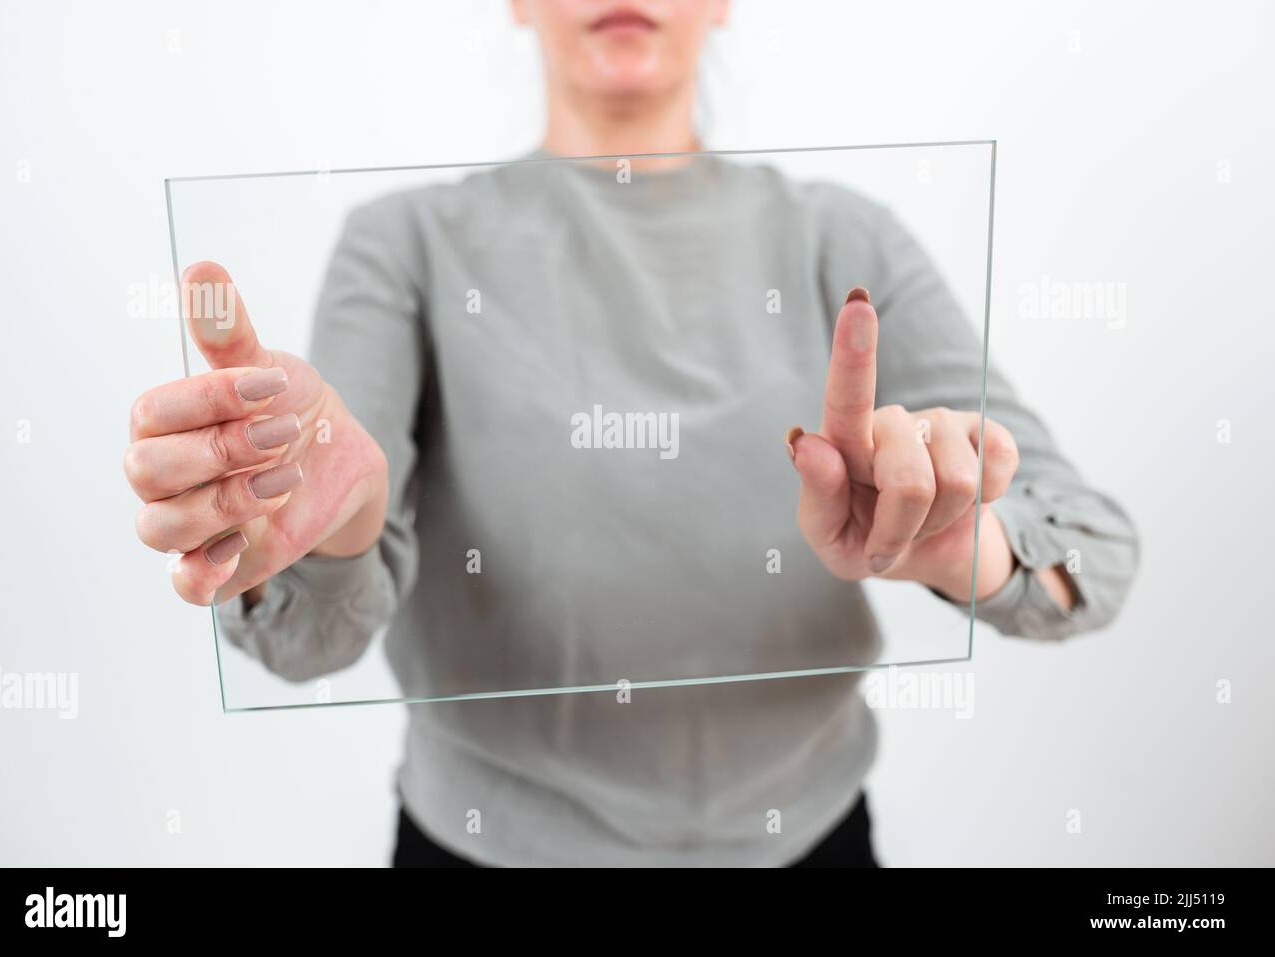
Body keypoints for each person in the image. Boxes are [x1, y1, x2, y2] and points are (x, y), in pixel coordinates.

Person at [123, 0, 1138, 867]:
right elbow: (308, 639)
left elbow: (1089, 553)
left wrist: (975, 549)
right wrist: (335, 526)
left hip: (806, 843)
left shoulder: (843, 237)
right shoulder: (405, 245)